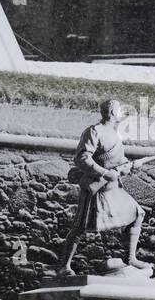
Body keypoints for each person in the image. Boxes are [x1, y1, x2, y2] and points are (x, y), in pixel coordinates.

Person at [59, 99, 149, 276]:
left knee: (138, 213)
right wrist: (103, 173)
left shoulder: (115, 135)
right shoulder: (94, 131)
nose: (121, 115)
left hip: (113, 188)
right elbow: (82, 159)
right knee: (80, 228)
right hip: (96, 189)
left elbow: (117, 160)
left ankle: (131, 258)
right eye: (119, 111)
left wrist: (132, 165)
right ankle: (64, 266)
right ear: (113, 113)